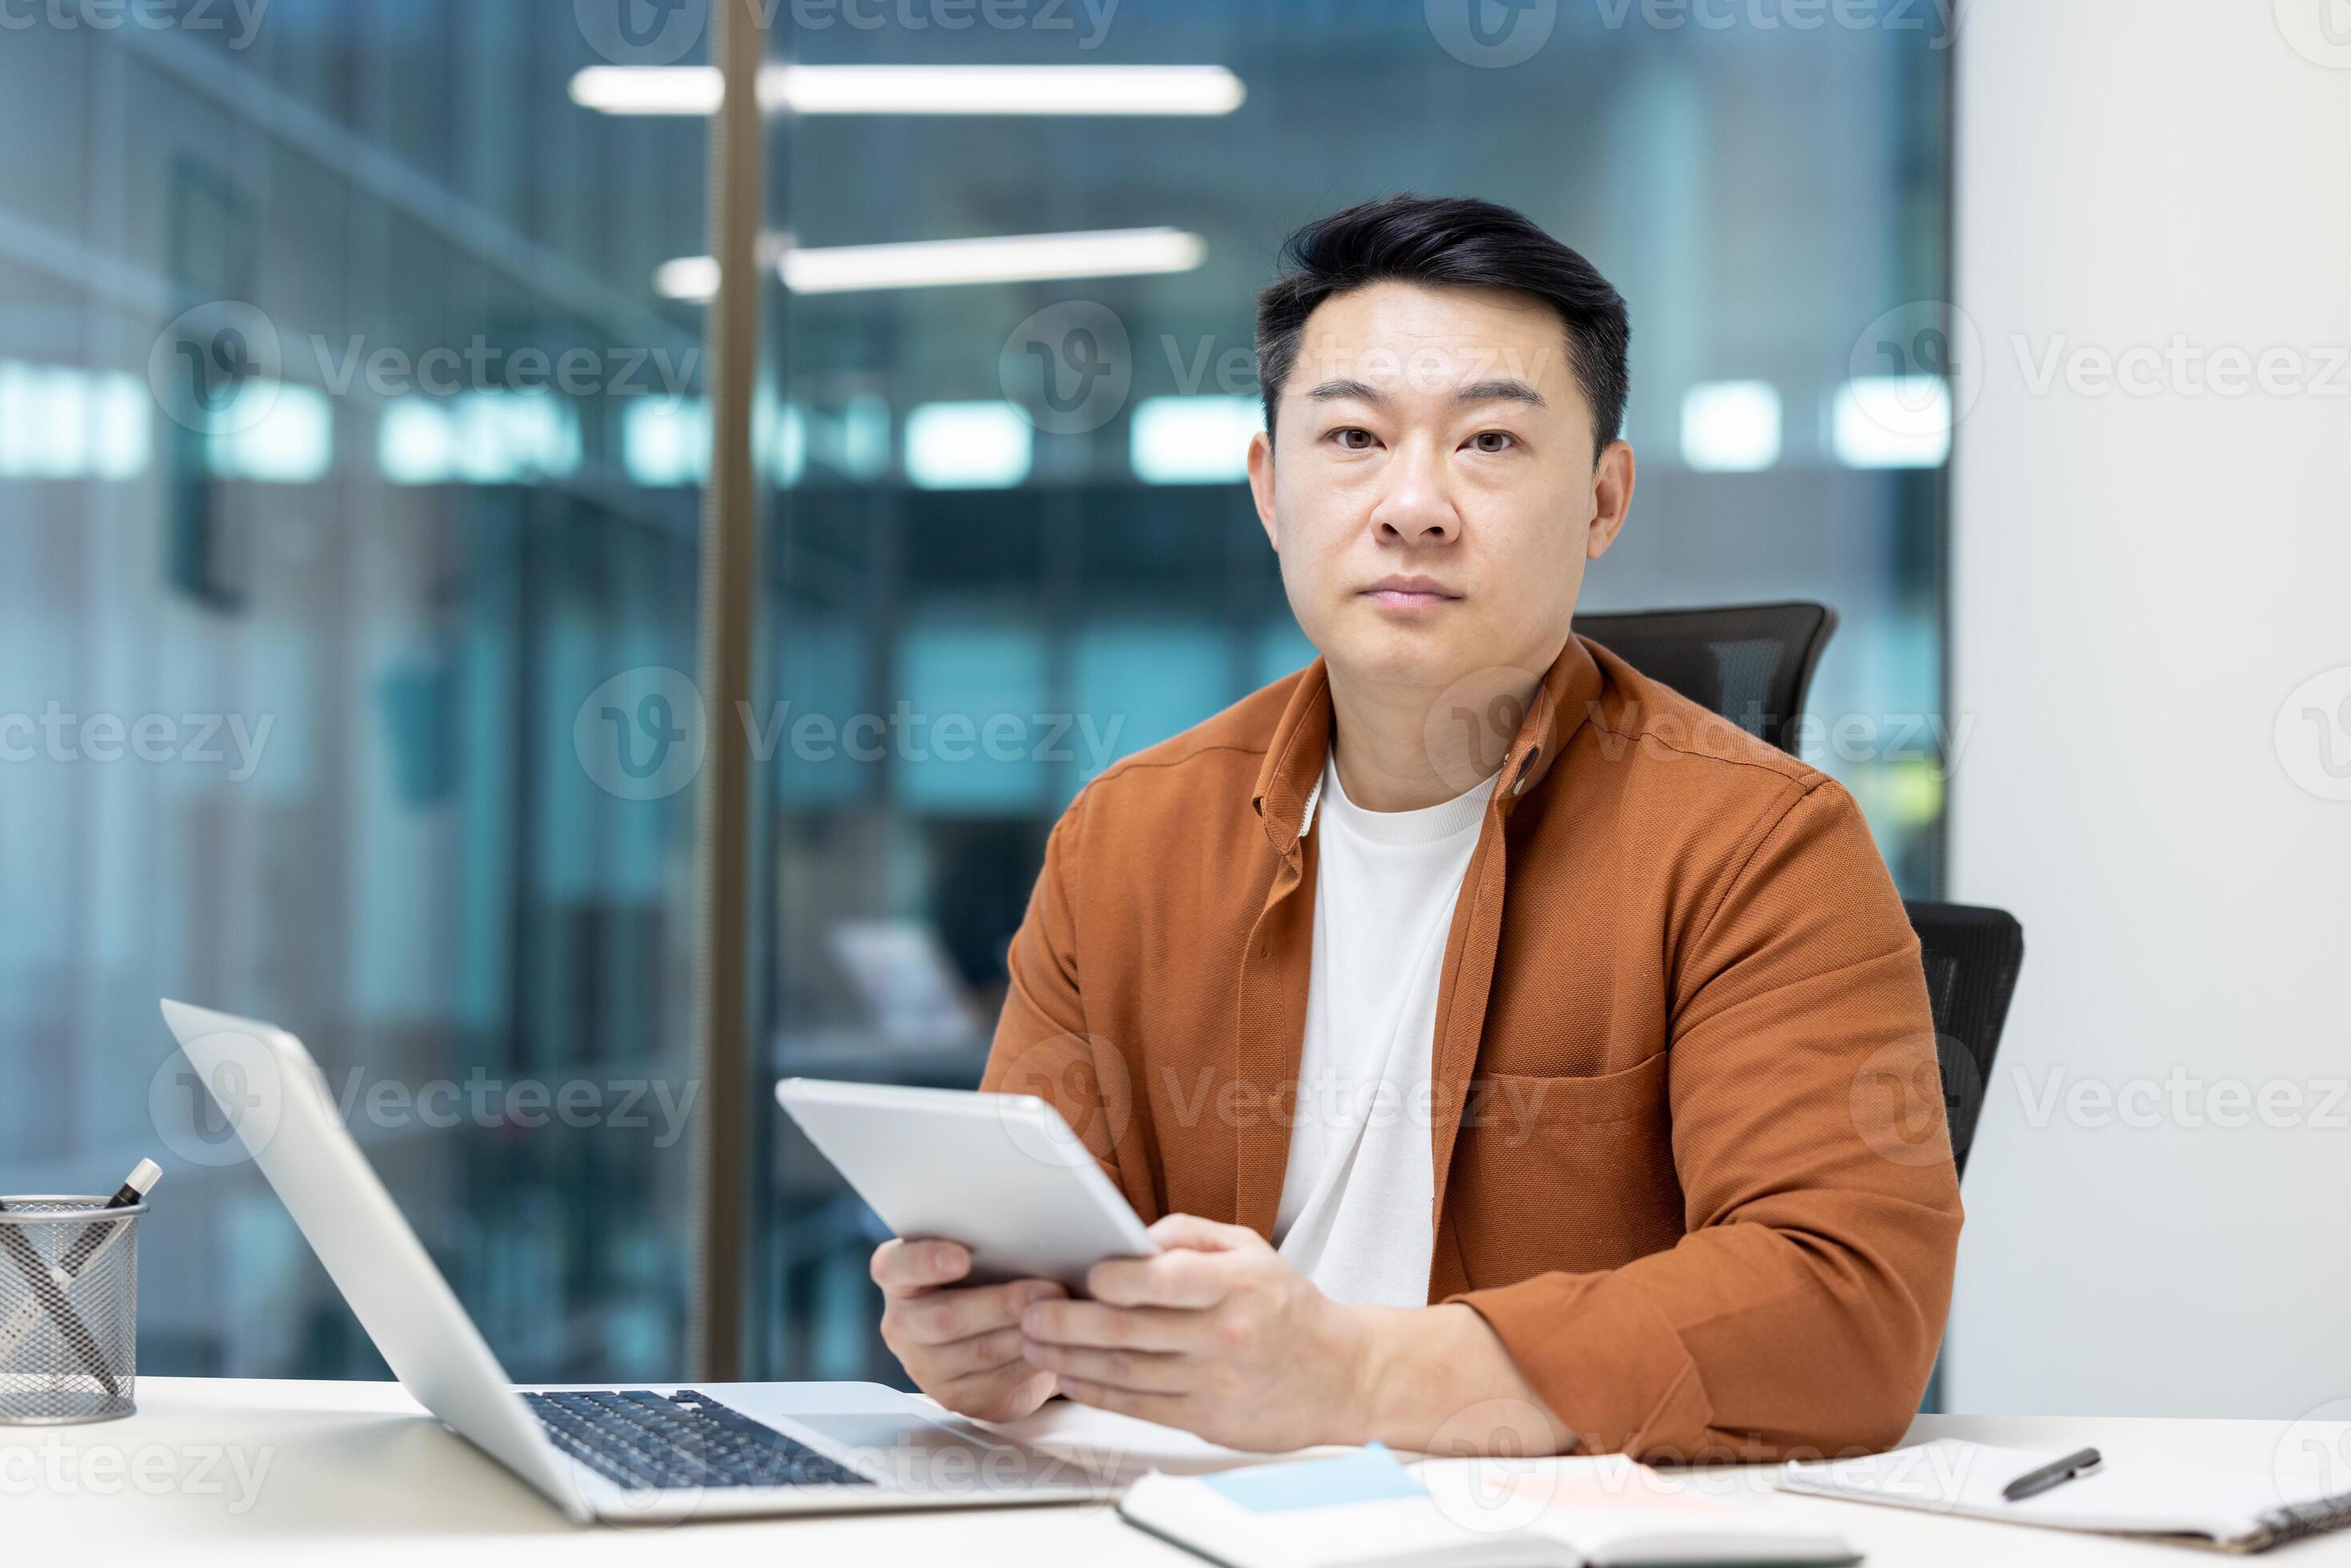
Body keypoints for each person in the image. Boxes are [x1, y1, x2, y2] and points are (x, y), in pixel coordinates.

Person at [870, 193, 1963, 1462]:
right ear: (1270, 489)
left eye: (1491, 441)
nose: (1414, 505)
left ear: (1604, 500)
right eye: (1353, 437)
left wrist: (1359, 1378)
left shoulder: (1764, 845)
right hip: (1176, 1520)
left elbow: (1847, 1310)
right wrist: (986, 1341)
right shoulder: (1126, 838)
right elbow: (1025, 1245)